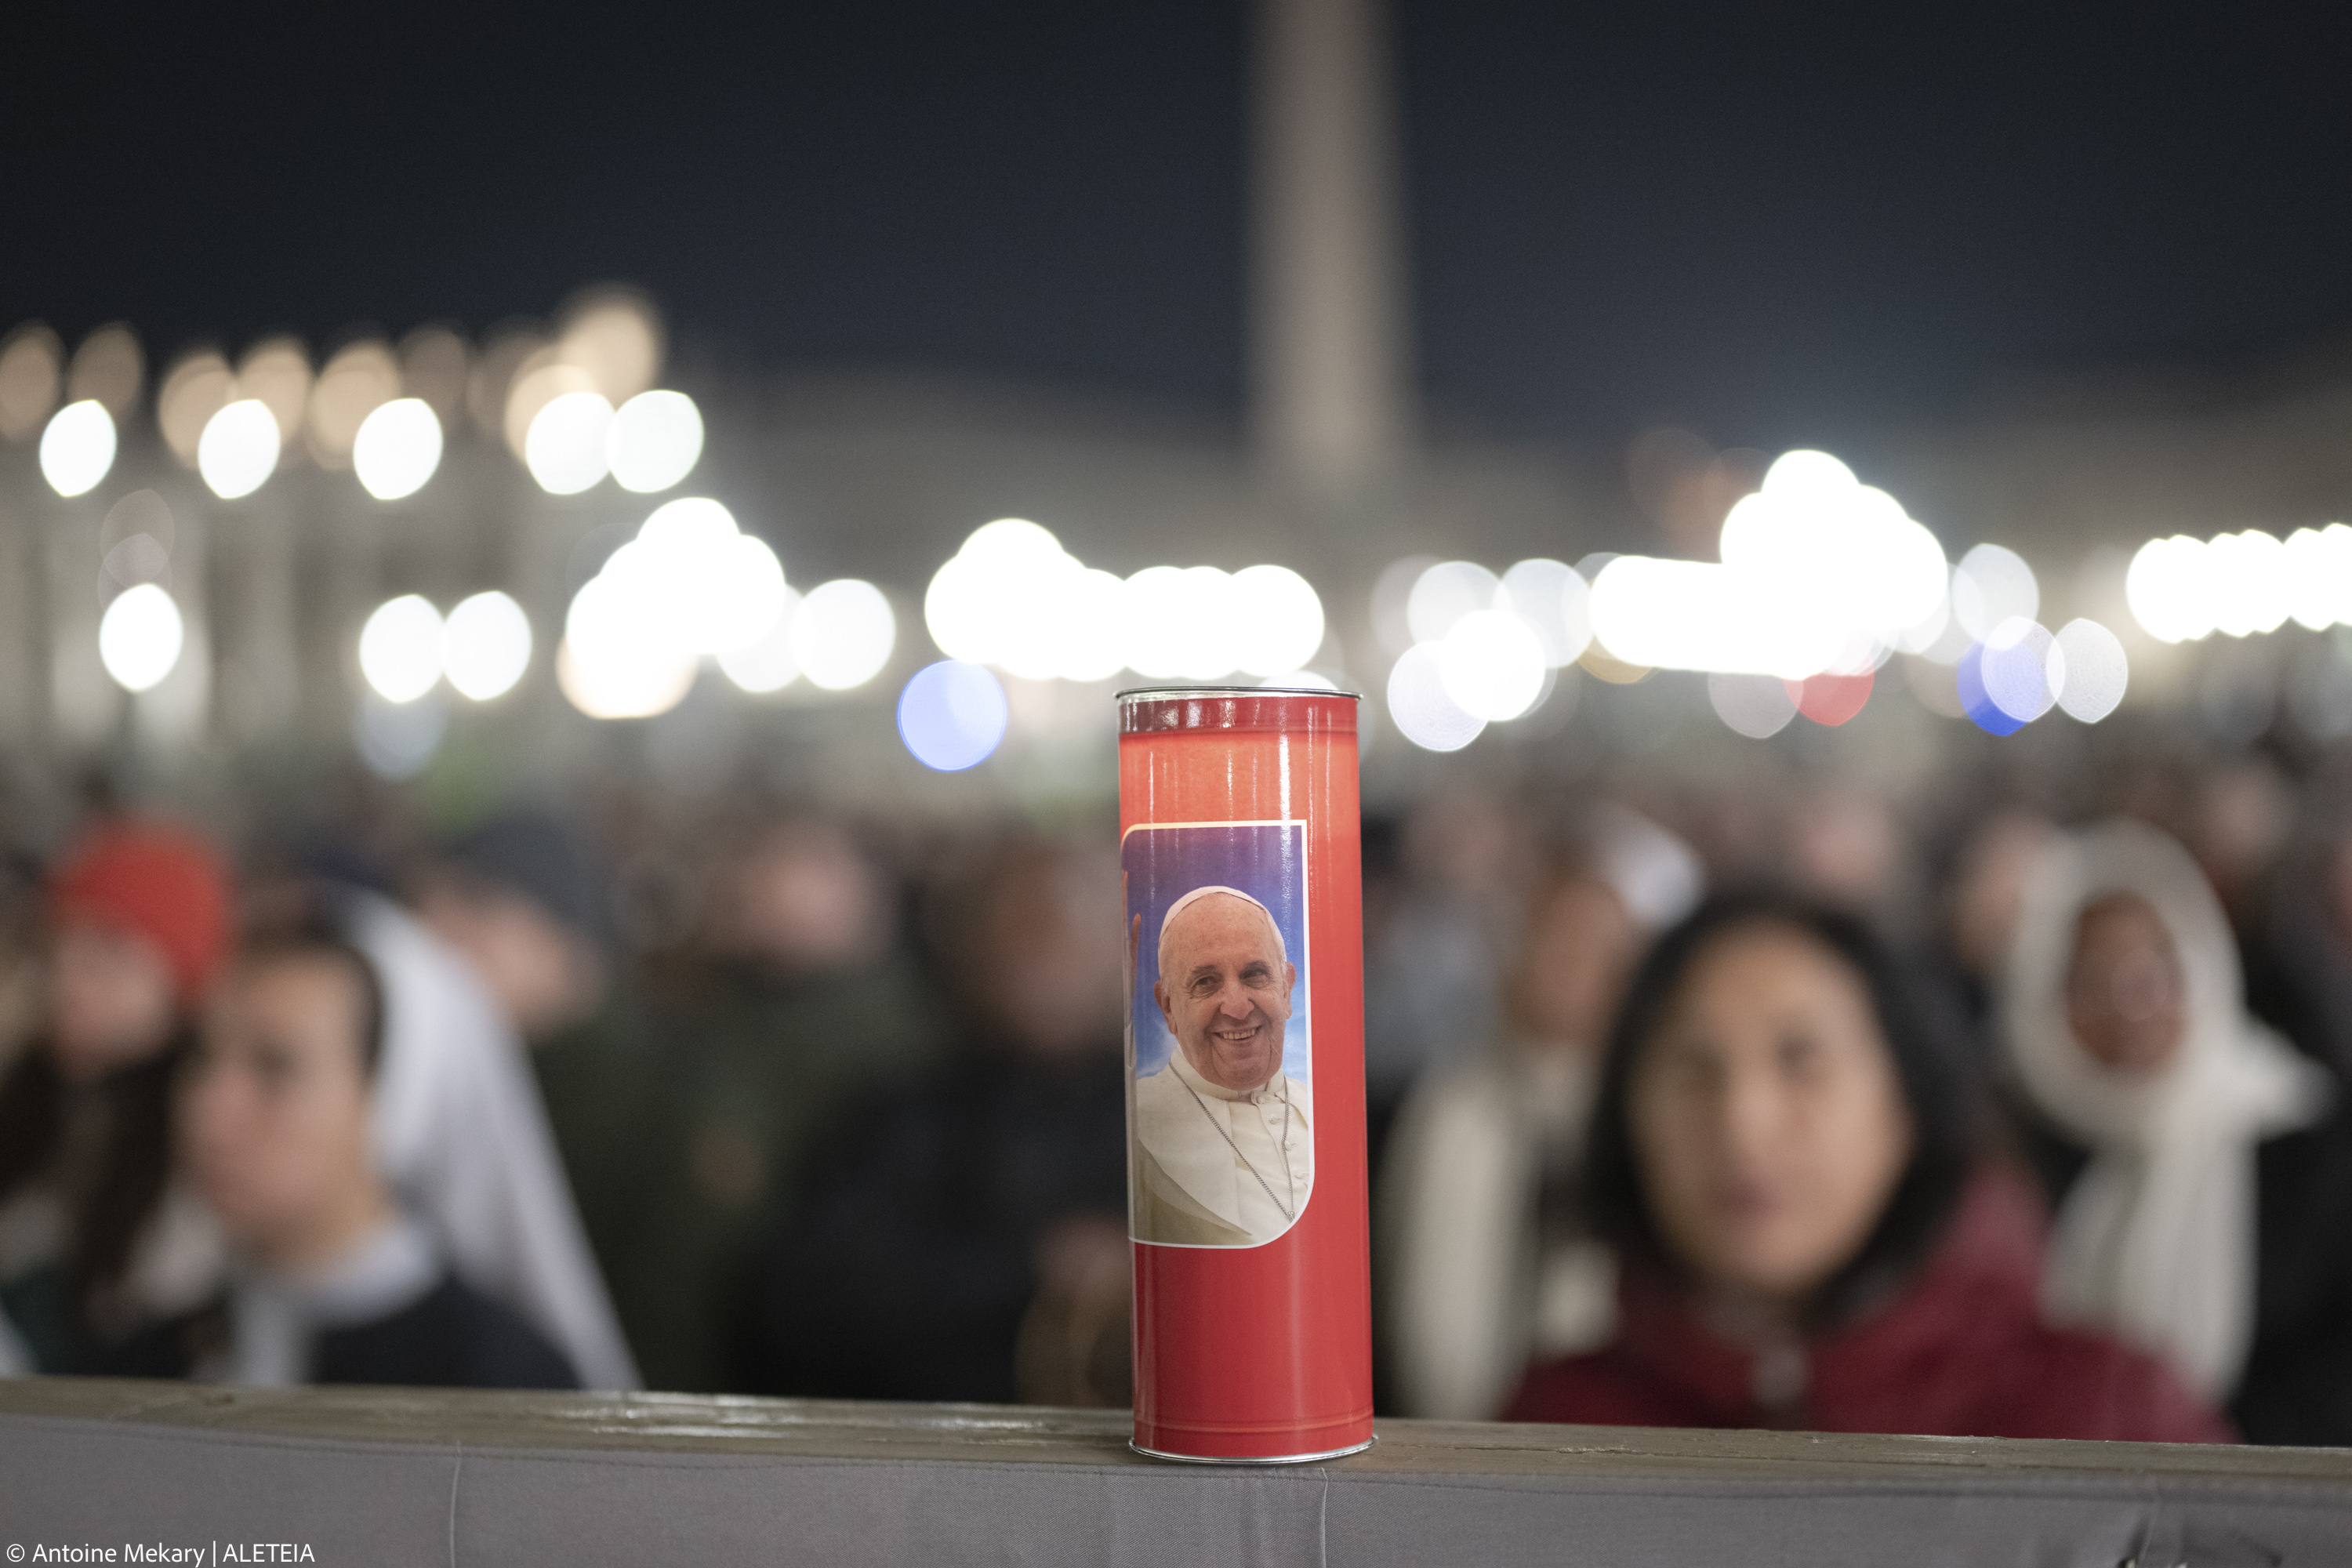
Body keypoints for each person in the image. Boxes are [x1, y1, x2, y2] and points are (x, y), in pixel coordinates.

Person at [1508, 890, 2227, 1442]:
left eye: (1801, 1060)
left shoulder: (2105, 1418)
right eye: (1696, 1069)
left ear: (1907, 1102)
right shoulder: (1553, 1431)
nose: (1742, 1124)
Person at [109, 919, 576, 1388]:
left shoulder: (499, 1383)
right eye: (202, 1053)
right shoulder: (146, 1358)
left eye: (275, 1067)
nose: (207, 1109)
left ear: (392, 1099)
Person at [2002, 819, 2352, 1443]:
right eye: (2093, 979)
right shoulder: (2027, 1158)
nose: (2132, 1005)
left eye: (2156, 969)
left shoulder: (2309, 1143)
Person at [753, 839, 1129, 1405]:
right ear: (970, 951)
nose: (1045, 955)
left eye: (1070, 925)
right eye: (1019, 930)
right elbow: (815, 1300)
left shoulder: (1186, 1119)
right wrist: (1031, 1269)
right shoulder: (903, 1114)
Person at [1381, 809, 1701, 1419]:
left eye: (1600, 947)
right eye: (1550, 932)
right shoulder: (1452, 1101)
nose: (1566, 965)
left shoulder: (1655, 1114)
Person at [0, 822, 231, 1372]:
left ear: (179, 982)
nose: (68, 982)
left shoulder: (204, 1133)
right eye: (58, 948)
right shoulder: (31, 1091)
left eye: (108, 954)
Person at [1131, 886, 1311, 1247]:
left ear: (1287, 990)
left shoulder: (1330, 1107)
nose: (1237, 1006)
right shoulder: (1132, 1119)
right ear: (1168, 1007)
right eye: (1205, 982)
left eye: (1255, 974)